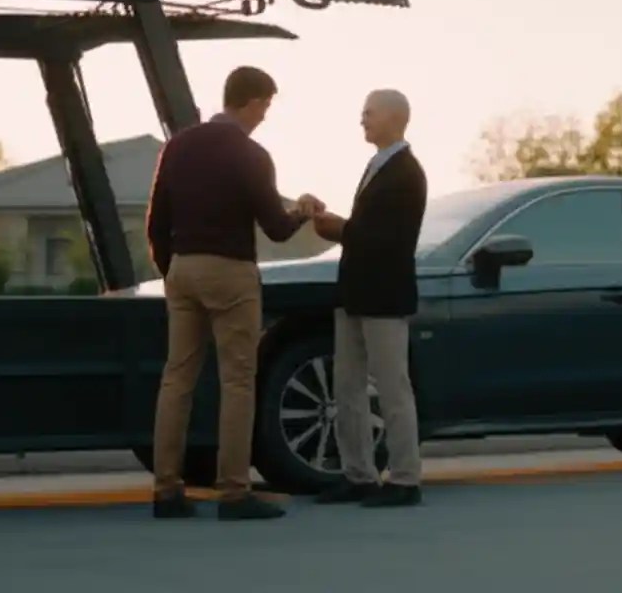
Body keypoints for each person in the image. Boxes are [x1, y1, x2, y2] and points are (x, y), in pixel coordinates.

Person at [146, 65, 324, 521]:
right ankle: (233, 492)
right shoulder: (250, 154)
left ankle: (166, 490)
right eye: (265, 105)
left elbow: (155, 222)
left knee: (177, 379)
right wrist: (302, 210)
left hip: (182, 268)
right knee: (237, 381)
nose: (265, 115)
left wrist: (173, 271)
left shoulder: (178, 146)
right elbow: (276, 228)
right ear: (251, 101)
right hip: (230, 271)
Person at [311, 88, 428, 508]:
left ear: (396, 118)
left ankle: (405, 478)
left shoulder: (407, 173)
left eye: (370, 113)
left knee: (392, 388)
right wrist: (341, 229)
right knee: (347, 388)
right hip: (356, 294)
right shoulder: (378, 166)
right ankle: (358, 475)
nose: (362, 119)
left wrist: (339, 229)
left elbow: (392, 241)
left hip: (384, 297)